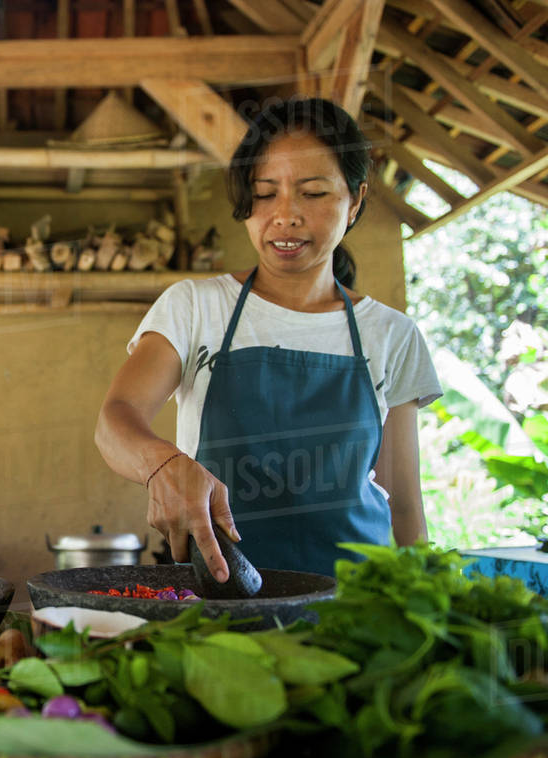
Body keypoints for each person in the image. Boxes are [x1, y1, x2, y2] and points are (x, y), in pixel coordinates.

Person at [95, 98, 442, 581]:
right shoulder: (196, 306)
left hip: (357, 611)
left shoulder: (392, 334)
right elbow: (115, 420)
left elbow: (403, 506)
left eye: (314, 193)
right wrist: (161, 464)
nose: (286, 216)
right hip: (224, 606)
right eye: (265, 193)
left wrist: (432, 606)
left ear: (356, 200)